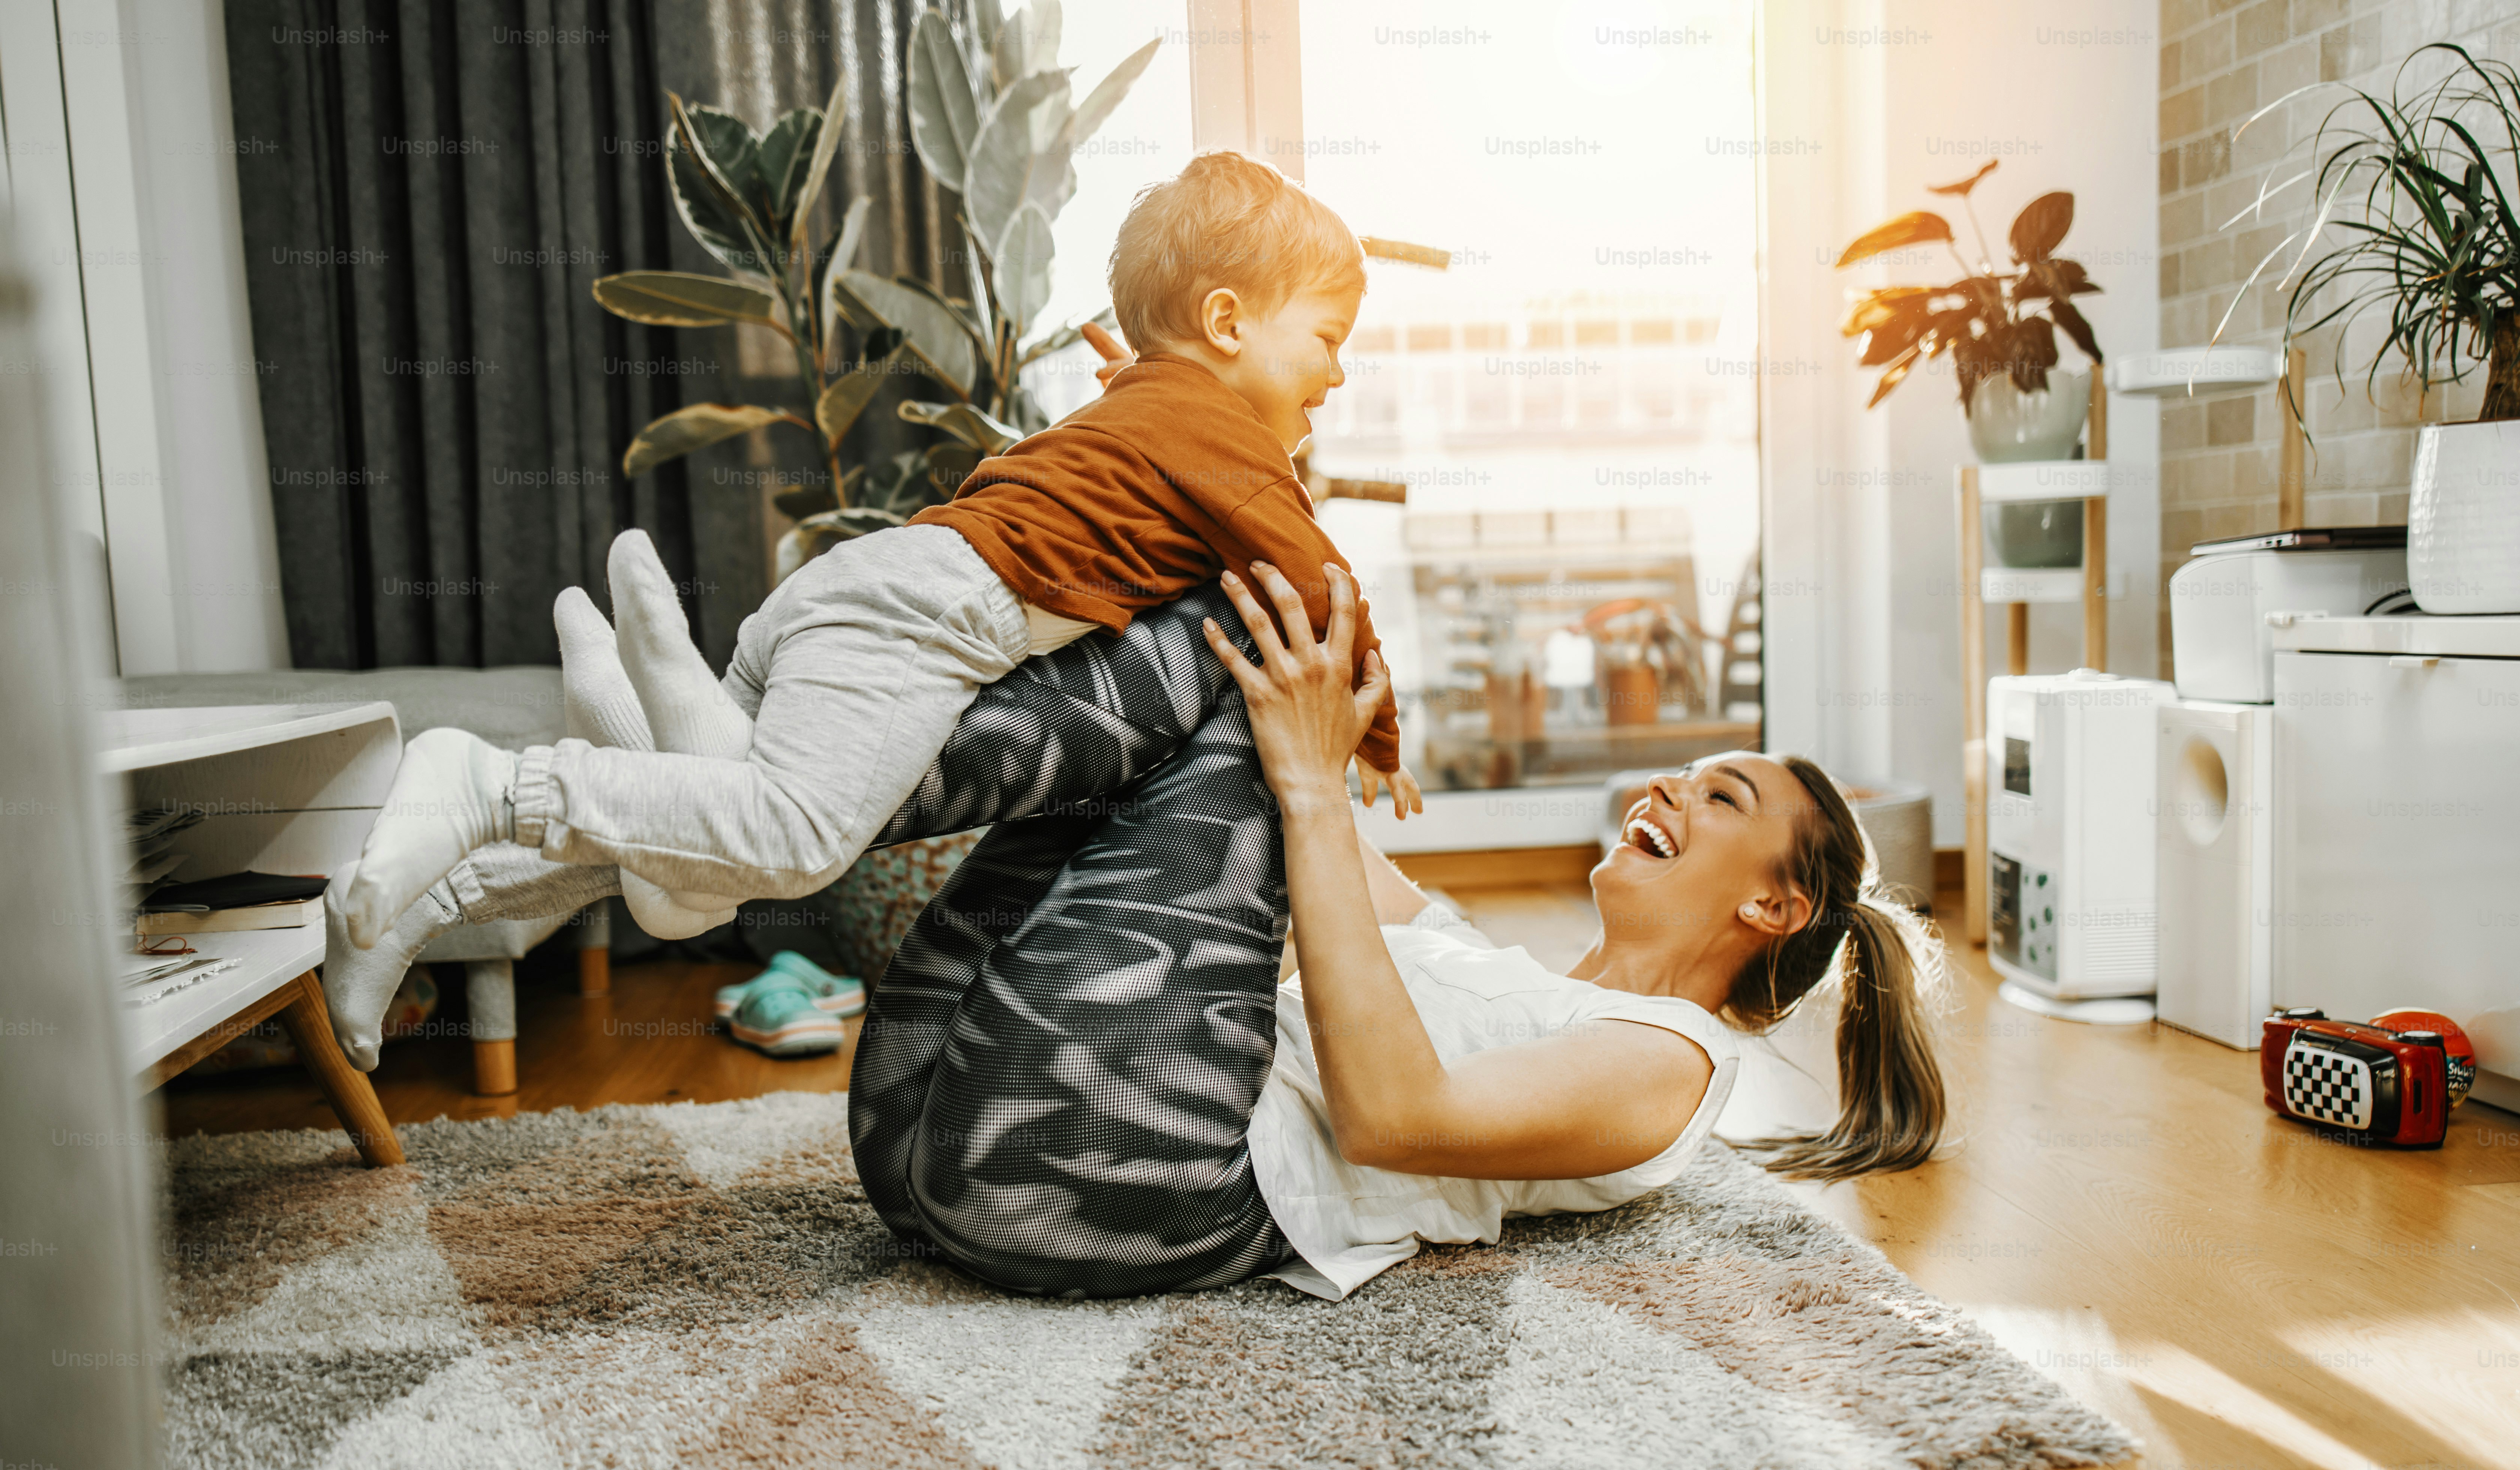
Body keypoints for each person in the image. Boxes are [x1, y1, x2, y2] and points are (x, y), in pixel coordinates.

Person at [337, 554, 1948, 1299]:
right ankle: (737, 806)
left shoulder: (1671, 1074)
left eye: (1724, 793)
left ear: (1774, 903)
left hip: (1112, 1186)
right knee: (1212, 647)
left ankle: (730, 812)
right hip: (937, 1134)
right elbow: (1245, 807)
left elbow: (1392, 1109)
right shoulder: (1508, 973)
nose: (1674, 781)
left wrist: (1314, 777)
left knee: (1249, 679)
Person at [323, 150, 1423, 1008]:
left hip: (860, 590)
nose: (1339, 369)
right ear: (1227, 322)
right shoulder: (1220, 426)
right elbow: (1315, 578)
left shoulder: (1147, 402)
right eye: (1327, 338)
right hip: (927, 614)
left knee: (684, 883)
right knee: (796, 840)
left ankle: (422, 905)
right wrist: (1375, 735)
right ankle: (486, 780)